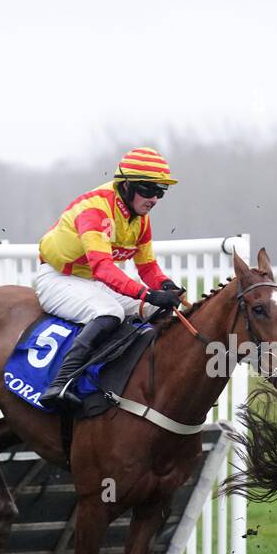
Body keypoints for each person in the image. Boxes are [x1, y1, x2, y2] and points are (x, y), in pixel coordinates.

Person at [34, 147, 186, 410]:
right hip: (58, 278)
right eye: (149, 190)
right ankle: (60, 383)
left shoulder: (140, 219)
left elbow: (147, 266)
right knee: (110, 311)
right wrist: (147, 293)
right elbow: (104, 268)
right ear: (126, 186)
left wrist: (166, 287)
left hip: (92, 281)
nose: (155, 199)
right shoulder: (95, 210)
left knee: (158, 308)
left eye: (161, 192)